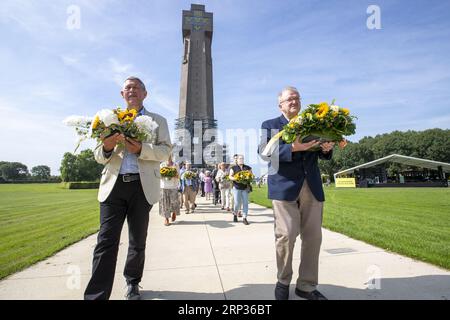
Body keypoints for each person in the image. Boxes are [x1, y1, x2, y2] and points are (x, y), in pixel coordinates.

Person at [84, 76, 172, 300]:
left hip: (141, 187)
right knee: (105, 241)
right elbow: (97, 156)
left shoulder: (158, 120)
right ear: (122, 95)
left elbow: (165, 152)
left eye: (136, 87)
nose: (131, 90)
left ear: (145, 94)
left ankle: (132, 283)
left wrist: (142, 148)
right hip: (113, 187)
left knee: (137, 240)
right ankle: (96, 295)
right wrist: (106, 146)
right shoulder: (108, 119)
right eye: (127, 88)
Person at [258, 86, 334, 300]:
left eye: (297, 98)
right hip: (284, 187)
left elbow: (322, 152)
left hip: (311, 186)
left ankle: (306, 286)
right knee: (286, 235)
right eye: (290, 99)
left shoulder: (313, 123)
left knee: (313, 238)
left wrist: (327, 148)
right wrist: (293, 148)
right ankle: (283, 281)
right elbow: (264, 152)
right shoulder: (270, 125)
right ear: (280, 104)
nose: (294, 101)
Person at [229, 155, 252, 225]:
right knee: (237, 203)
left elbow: (251, 175)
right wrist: (235, 178)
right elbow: (230, 176)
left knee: (245, 203)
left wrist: (249, 178)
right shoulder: (233, 168)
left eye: (242, 158)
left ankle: (244, 218)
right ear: (237, 160)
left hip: (245, 188)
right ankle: (235, 214)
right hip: (236, 188)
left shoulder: (248, 168)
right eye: (240, 158)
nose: (241, 160)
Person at [159, 157, 180, 226]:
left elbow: (178, 176)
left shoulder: (176, 165)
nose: (168, 157)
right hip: (164, 186)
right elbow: (159, 175)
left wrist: (174, 174)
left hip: (173, 186)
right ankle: (166, 218)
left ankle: (174, 212)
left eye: (170, 155)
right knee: (165, 203)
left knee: (174, 202)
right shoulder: (162, 165)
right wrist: (165, 174)